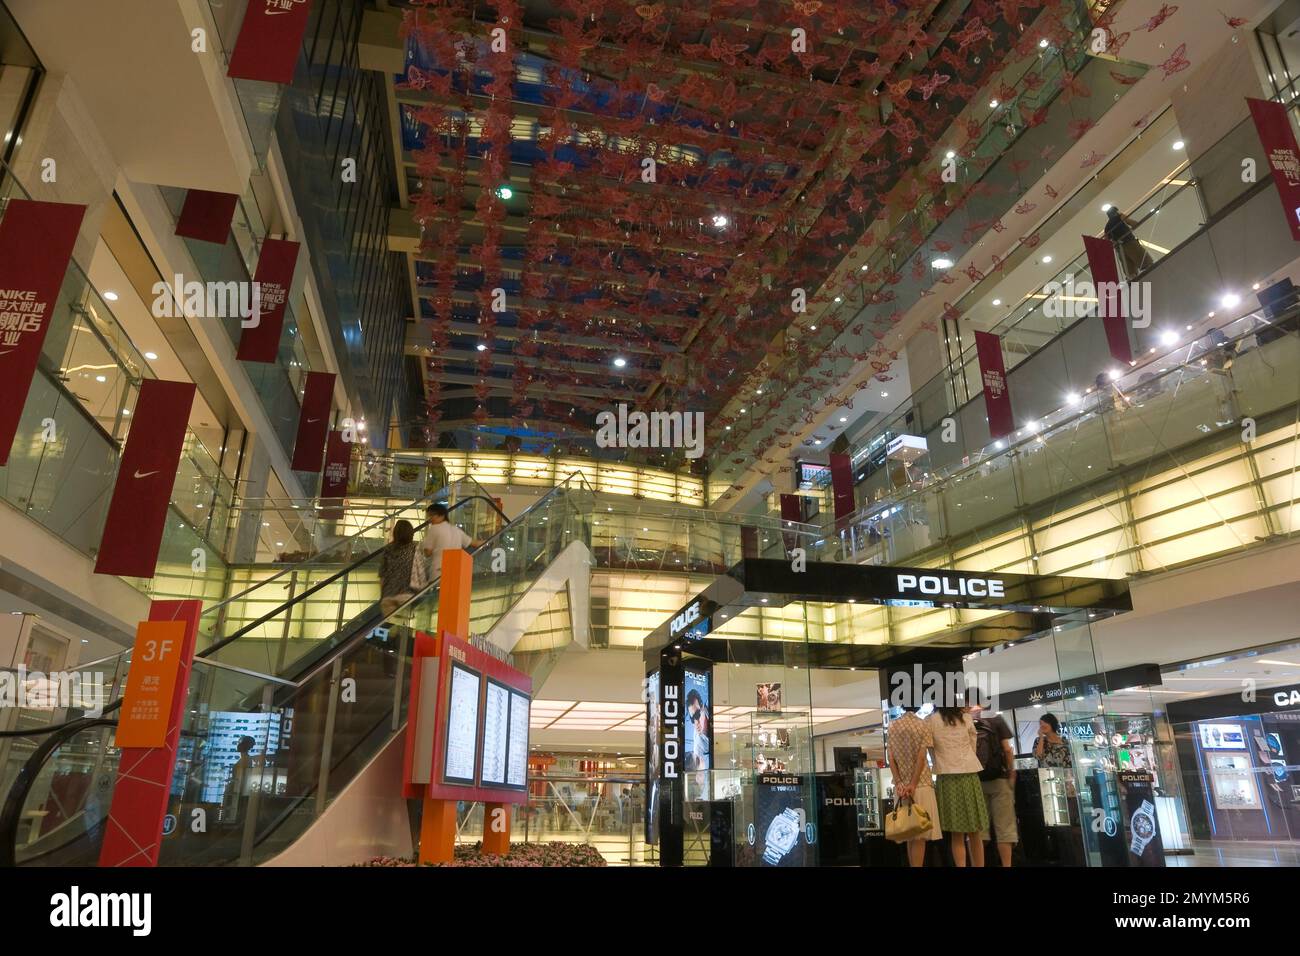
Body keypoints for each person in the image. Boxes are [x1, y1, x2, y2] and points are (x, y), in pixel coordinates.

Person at [927, 705, 989, 866]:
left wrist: (939, 762)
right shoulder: (966, 718)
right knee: (975, 831)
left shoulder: (931, 721)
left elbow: (930, 749)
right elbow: (973, 743)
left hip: (947, 777)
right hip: (969, 773)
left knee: (956, 833)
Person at [887, 706, 942, 867]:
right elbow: (921, 758)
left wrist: (899, 782)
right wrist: (913, 783)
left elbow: (891, 757)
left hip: (901, 789)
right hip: (921, 785)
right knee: (920, 836)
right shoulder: (923, 725)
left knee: (910, 835)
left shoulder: (892, 725)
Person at [971, 704, 1018, 867]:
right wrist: (1011, 771)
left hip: (976, 781)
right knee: (1004, 828)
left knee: (979, 831)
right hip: (999, 779)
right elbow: (1007, 749)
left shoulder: (966, 721)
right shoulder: (996, 719)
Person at [420, 503, 482, 579]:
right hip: (455, 569)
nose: (430, 518)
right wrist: (490, 541)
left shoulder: (434, 529)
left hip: (438, 570)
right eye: (429, 515)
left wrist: (422, 546)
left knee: (436, 590)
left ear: (442, 515)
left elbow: (428, 553)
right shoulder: (456, 530)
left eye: (432, 515)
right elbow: (474, 543)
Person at [379, 519, 425, 616]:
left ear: (395, 533)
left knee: (389, 626)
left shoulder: (387, 549)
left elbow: (382, 575)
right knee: (403, 629)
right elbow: (420, 571)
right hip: (407, 596)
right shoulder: (414, 549)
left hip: (388, 596)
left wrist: (382, 595)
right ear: (410, 533)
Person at [1104, 206, 1152, 280]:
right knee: (1146, 263)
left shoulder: (1107, 227)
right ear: (1116, 212)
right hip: (1130, 243)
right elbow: (1133, 223)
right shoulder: (1119, 217)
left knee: (1131, 273)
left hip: (1120, 250)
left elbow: (1107, 241)